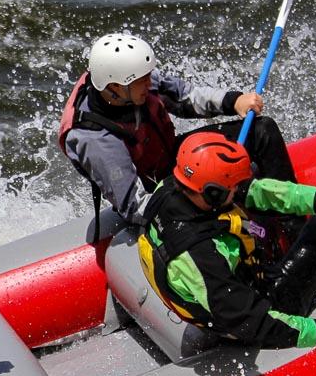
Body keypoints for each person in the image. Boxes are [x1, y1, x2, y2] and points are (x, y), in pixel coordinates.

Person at [137, 135, 316, 350]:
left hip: (237, 282)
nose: (239, 190)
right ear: (214, 194)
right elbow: (254, 322)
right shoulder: (201, 259)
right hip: (253, 310)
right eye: (233, 187)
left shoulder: (172, 187)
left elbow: (259, 192)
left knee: (314, 209)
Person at [57, 32, 299, 231]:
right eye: (142, 80)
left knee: (262, 130)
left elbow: (185, 97)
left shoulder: (130, 80)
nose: (150, 81)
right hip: (160, 193)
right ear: (114, 88)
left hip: (175, 161)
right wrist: (199, 197)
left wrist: (232, 101)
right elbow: (136, 207)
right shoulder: (95, 139)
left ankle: (293, 222)